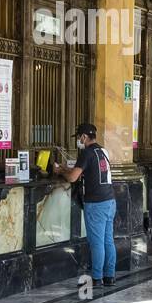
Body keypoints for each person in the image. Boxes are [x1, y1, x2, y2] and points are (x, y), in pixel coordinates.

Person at [55, 123, 116, 288]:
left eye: (79, 138)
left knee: (97, 242)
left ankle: (96, 278)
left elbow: (73, 178)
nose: (79, 141)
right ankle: (109, 276)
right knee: (108, 241)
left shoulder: (86, 153)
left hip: (96, 204)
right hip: (110, 201)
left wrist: (61, 171)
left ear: (83, 137)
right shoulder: (103, 151)